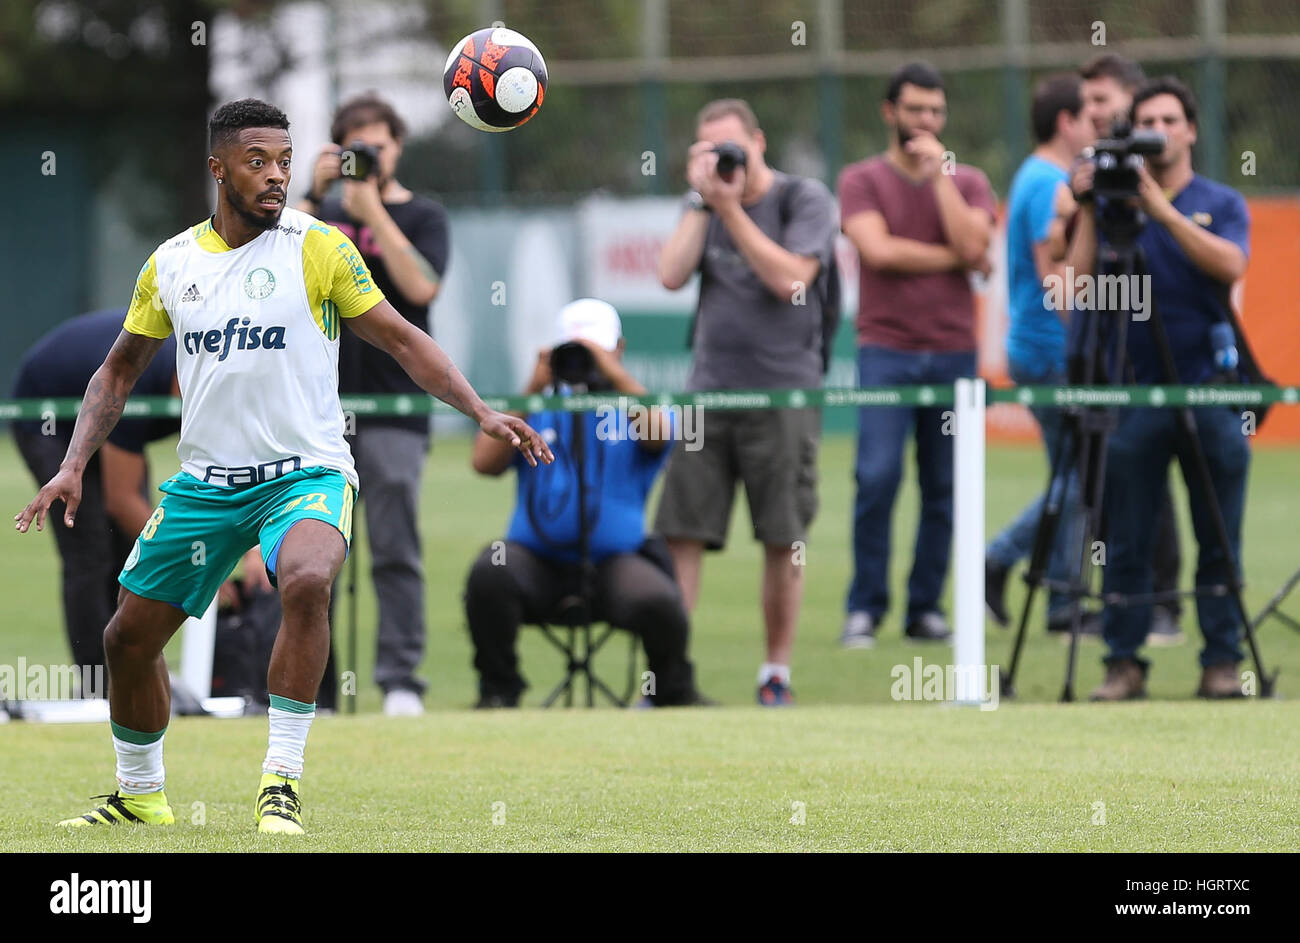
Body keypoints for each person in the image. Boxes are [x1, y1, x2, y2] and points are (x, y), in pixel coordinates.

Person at [16, 98, 552, 834]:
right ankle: (140, 794)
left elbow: (401, 337)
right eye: (257, 162)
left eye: (284, 162)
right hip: (205, 485)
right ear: (218, 169)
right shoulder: (171, 264)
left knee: (304, 579)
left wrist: (481, 409)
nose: (276, 177)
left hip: (306, 473)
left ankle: (281, 782)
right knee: (126, 640)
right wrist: (73, 463)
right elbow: (116, 374)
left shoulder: (319, 246)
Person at [1064, 78, 1251, 700]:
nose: (1160, 131)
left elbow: (1230, 264)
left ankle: (1222, 661)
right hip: (1134, 390)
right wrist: (1091, 207)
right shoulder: (1112, 205)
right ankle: (1122, 661)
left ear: (1191, 129)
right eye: (1147, 122)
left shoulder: (1219, 201)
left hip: (1209, 390)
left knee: (1219, 535)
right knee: (1127, 538)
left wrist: (1161, 210)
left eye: (1170, 120)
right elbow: (1077, 290)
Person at [654, 98, 838, 706]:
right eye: (709, 152)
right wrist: (700, 198)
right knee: (682, 531)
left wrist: (730, 208)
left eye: (731, 149)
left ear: (759, 141)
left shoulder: (803, 199)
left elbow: (791, 280)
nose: (723, 161)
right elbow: (670, 275)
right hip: (709, 389)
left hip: (784, 390)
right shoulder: (704, 205)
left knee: (783, 536)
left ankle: (775, 675)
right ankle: (671, 675)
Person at [465, 299, 708, 708]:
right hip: (537, 562)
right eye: (576, 351)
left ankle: (672, 692)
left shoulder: (631, 410)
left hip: (614, 563)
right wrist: (532, 388)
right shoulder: (537, 409)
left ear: (619, 349)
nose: (586, 362)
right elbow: (483, 463)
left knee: (659, 599)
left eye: (596, 351)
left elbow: (659, 434)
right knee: (490, 572)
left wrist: (613, 373)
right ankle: (499, 691)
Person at [299, 93, 450, 716]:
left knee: (394, 544)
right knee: (311, 549)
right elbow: (266, 262)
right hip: (319, 405)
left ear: (398, 146)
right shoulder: (318, 216)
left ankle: (400, 681)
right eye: (353, 145)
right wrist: (310, 197)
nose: (367, 155)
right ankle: (316, 686)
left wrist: (372, 212)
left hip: (394, 405)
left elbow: (420, 286)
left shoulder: (424, 215)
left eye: (376, 144)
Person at [837, 62, 996, 648]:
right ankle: (864, 607)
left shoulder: (970, 182)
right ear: (890, 112)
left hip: (954, 352)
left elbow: (978, 245)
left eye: (935, 111)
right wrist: (956, 256)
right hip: (886, 351)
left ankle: (925, 607)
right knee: (876, 477)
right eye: (915, 110)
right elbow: (878, 252)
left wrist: (940, 181)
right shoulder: (860, 179)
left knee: (946, 486)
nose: (926, 121)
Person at [1076, 53, 1186, 646]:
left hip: (1160, 347)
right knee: (1100, 473)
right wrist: (1085, 202)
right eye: (1085, 103)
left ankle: (1163, 600)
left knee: (1153, 475)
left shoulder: (1159, 170)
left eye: (1101, 102)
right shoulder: (1090, 171)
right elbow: (1068, 281)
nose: (1090, 113)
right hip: (1100, 338)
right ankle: (1109, 606)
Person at [983, 74, 1097, 637]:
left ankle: (1058, 598)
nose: (1095, 129)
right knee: (1080, 479)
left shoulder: (1039, 177)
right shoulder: (1046, 183)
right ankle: (1003, 558)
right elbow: (1056, 281)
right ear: (1065, 121)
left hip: (1042, 346)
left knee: (1072, 475)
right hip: (1050, 348)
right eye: (1088, 117)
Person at [11, 309, 179, 684]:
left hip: (109, 424)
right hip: (49, 416)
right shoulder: (145, 381)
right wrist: (191, 558)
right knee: (90, 550)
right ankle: (98, 685)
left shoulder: (205, 388)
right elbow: (123, 501)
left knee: (128, 553)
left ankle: (133, 673)